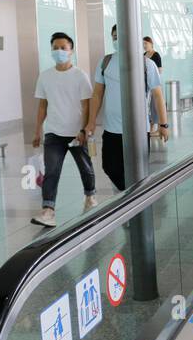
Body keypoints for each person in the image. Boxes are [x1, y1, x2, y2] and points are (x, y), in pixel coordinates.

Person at [85, 25, 170, 192]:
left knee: (138, 170)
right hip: (111, 128)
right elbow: (97, 94)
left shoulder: (147, 64)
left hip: (137, 130)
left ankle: (132, 200)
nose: (118, 40)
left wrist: (163, 125)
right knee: (109, 166)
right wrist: (91, 121)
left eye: (122, 36)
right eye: (115, 36)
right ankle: (130, 195)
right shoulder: (106, 62)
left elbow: (158, 96)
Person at [31, 32, 96, 227]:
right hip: (53, 132)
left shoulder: (79, 75)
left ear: (71, 51)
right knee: (52, 170)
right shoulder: (45, 76)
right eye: (55, 48)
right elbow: (42, 106)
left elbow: (86, 105)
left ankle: (90, 197)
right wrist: (37, 131)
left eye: (63, 48)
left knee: (85, 167)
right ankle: (48, 210)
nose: (59, 51)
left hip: (76, 133)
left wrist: (84, 130)